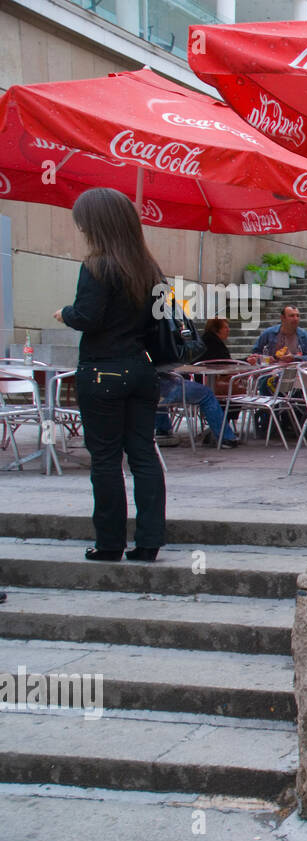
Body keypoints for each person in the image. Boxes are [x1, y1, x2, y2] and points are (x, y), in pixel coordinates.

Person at [53, 187, 165, 563]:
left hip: (102, 370)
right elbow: (159, 323)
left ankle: (109, 543)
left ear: (96, 224)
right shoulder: (150, 267)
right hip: (142, 369)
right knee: (144, 455)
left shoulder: (97, 265)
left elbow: (88, 317)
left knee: (105, 460)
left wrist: (65, 313)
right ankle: (149, 542)